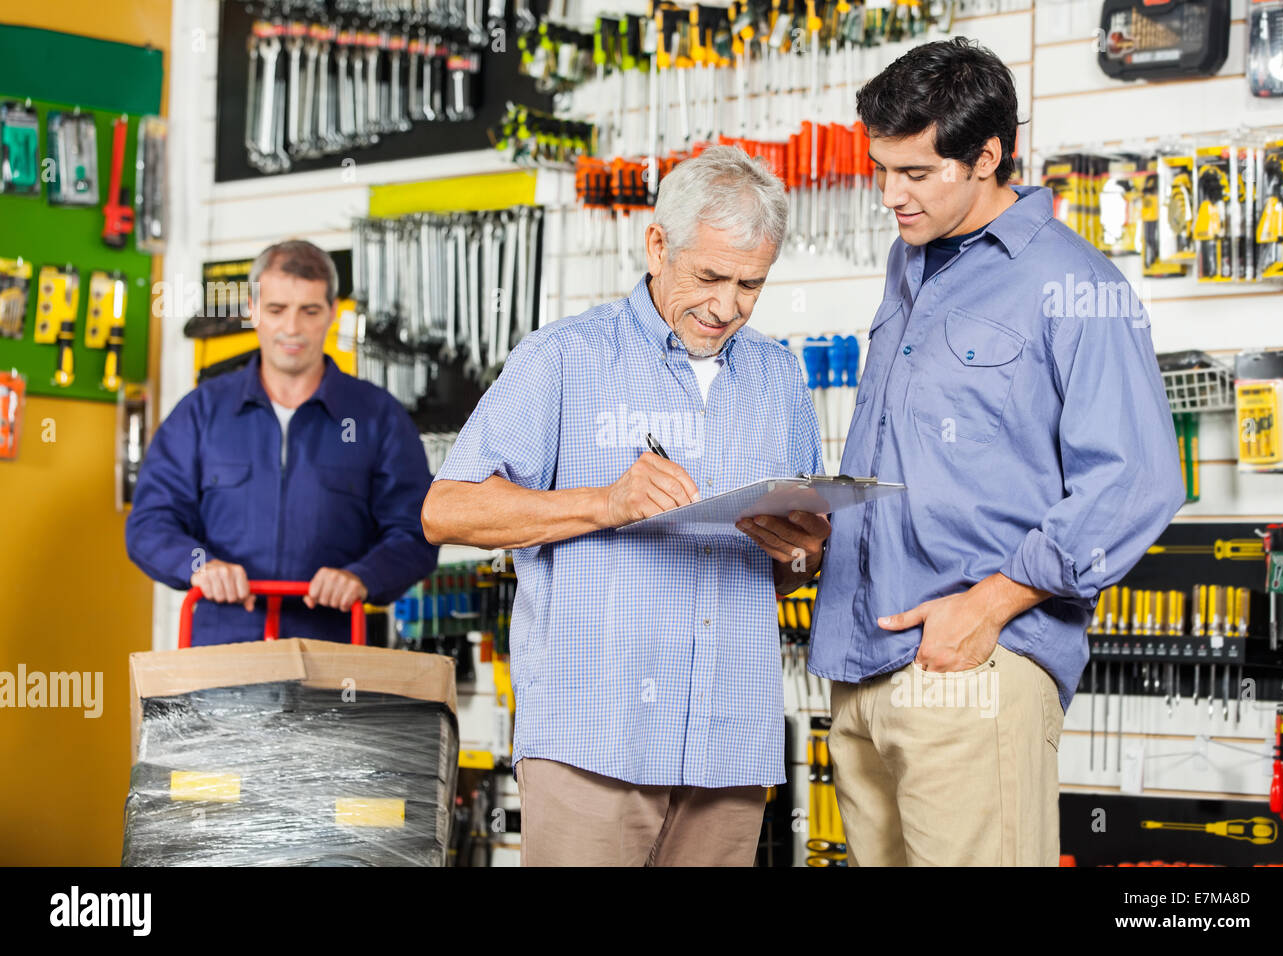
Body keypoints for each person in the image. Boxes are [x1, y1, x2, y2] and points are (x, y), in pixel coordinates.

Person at [809, 39, 1186, 866]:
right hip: (861, 669)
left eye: (914, 174)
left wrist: (986, 607)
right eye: (881, 169)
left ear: (986, 156)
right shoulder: (908, 266)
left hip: (972, 668)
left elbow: (1139, 480)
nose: (888, 195)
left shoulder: (1075, 285)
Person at [422, 146, 829, 866]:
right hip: (593, 743)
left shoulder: (779, 378)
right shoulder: (564, 359)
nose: (726, 306)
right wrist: (607, 501)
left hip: (729, 746)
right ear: (656, 244)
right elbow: (448, 510)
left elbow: (796, 565)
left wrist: (800, 553)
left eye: (750, 285)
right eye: (709, 276)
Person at [126, 240, 438, 644]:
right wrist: (199, 565)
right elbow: (150, 522)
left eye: (309, 311)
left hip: (332, 660)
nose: (292, 328)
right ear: (253, 311)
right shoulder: (201, 413)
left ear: (331, 313)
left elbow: (416, 532)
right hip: (222, 660)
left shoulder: (377, 417)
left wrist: (363, 577)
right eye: (276, 310)